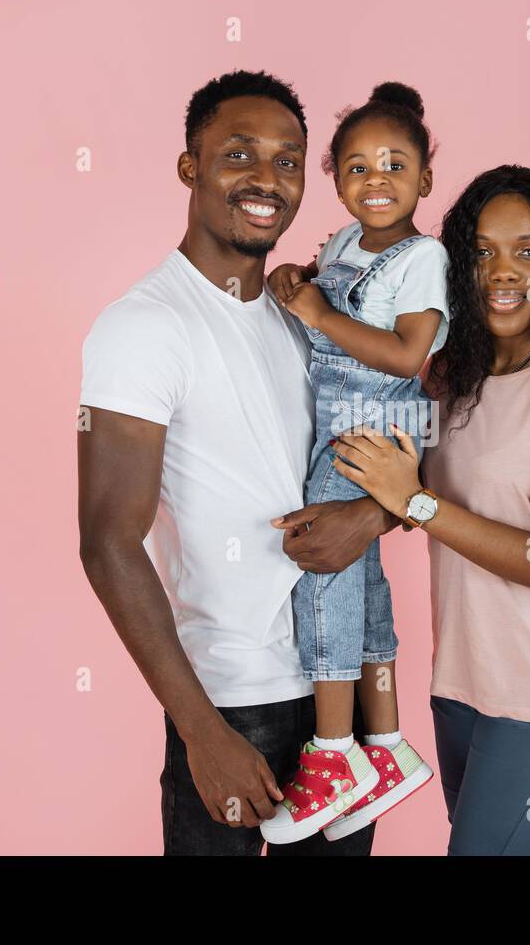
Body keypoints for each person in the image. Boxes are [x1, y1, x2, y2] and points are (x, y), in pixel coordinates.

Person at [77, 70, 398, 856]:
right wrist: (200, 731)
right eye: (240, 154)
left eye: (289, 161)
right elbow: (107, 542)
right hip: (232, 703)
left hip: (337, 695)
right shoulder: (141, 327)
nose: (267, 178)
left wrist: (373, 513)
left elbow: (381, 460)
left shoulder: (305, 319)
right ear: (191, 168)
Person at [322, 165, 530, 855]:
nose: (504, 271)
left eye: (528, 251)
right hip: (460, 686)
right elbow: (405, 490)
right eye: (481, 252)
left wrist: (414, 500)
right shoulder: (449, 381)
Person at [258, 82, 445, 845]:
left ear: (425, 180)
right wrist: (295, 284)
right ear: (335, 179)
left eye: (396, 164)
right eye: (359, 166)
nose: (377, 179)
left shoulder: (424, 256)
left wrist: (320, 314)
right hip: (344, 422)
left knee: (324, 574)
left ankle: (334, 753)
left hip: (373, 427)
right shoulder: (341, 244)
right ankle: (388, 746)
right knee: (362, 581)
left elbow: (408, 351)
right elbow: (314, 299)